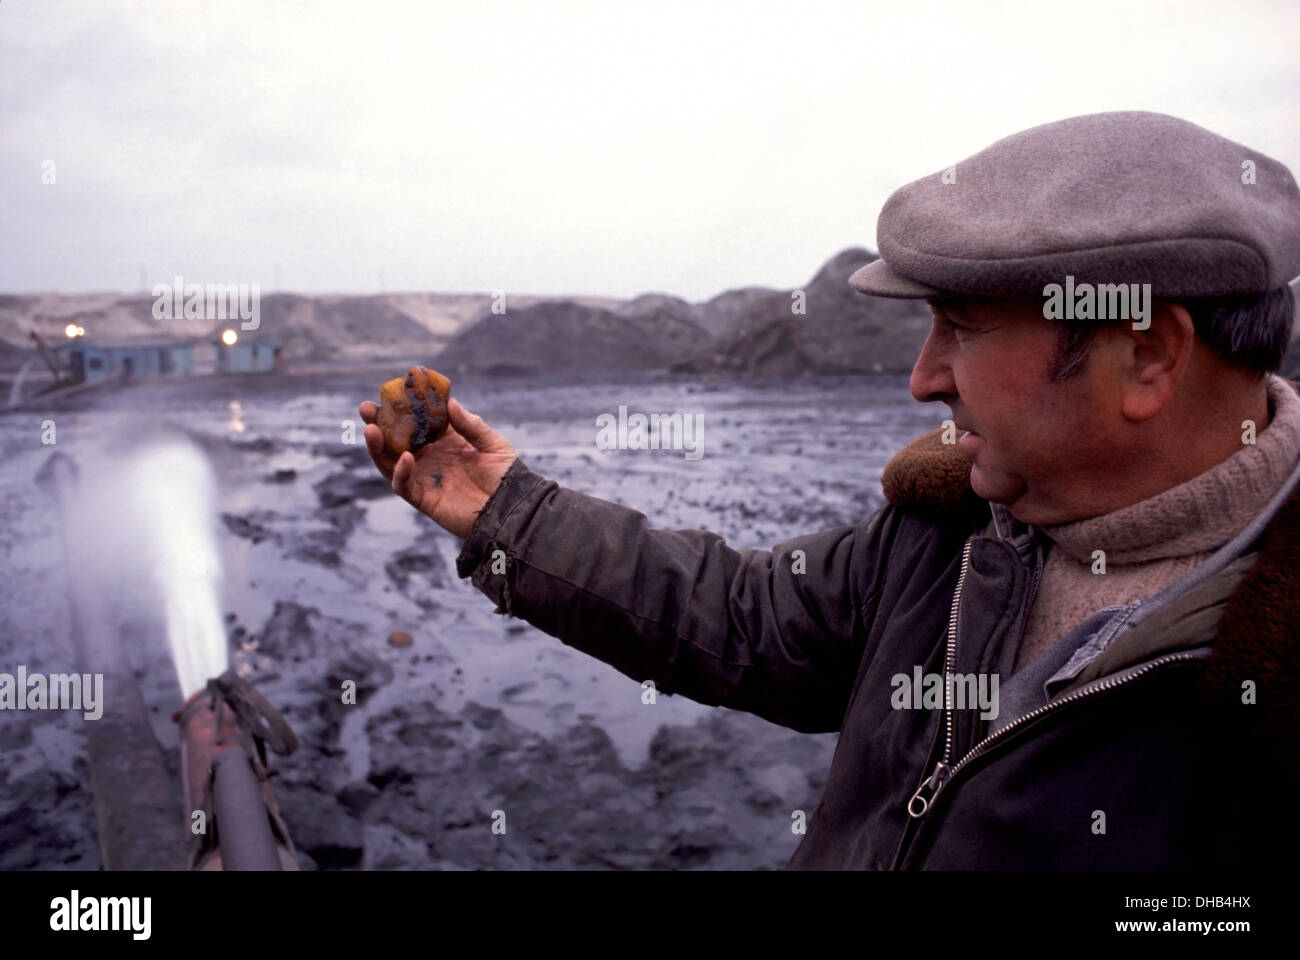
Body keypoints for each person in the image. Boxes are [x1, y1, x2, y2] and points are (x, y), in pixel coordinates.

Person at [359, 111, 1300, 869]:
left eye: (960, 329)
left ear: (1144, 355)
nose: (923, 380)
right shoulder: (948, 531)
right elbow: (738, 617)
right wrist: (508, 512)